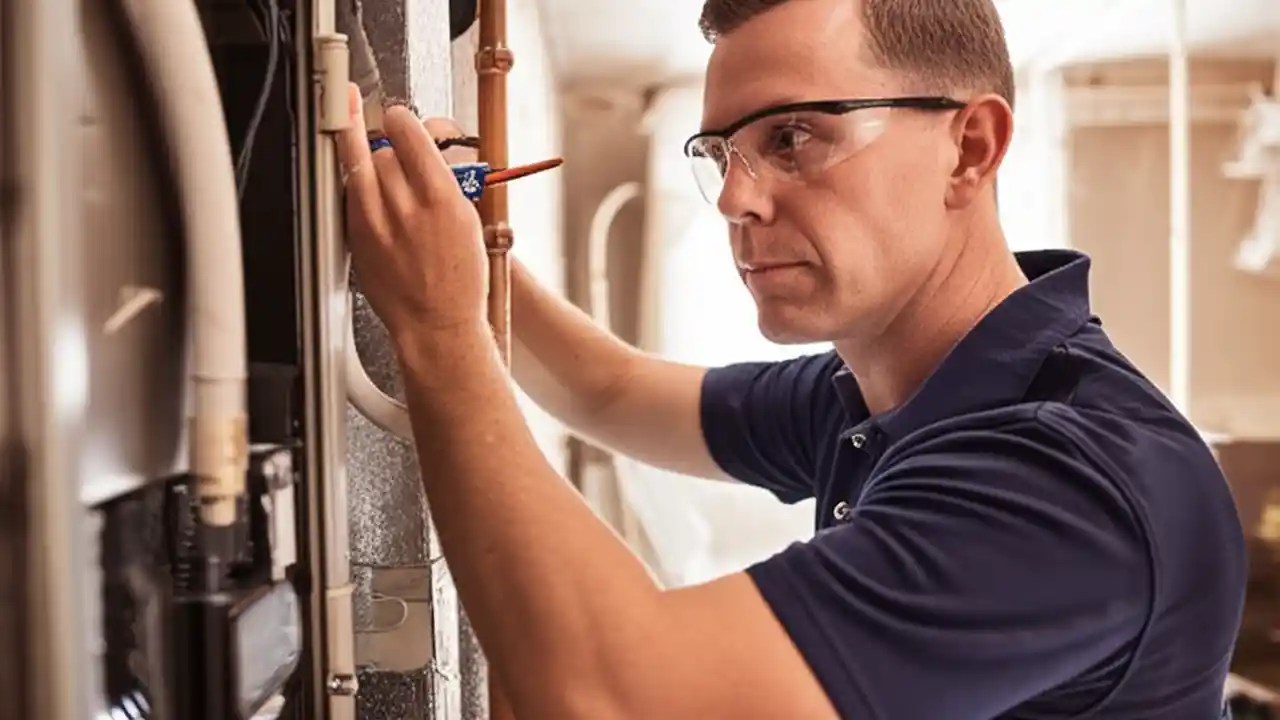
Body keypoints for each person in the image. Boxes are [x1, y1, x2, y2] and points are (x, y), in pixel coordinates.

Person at [335, 0, 1247, 716]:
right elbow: (605, 387)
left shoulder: (1068, 479)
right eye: (722, 151)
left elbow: (607, 702)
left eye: (793, 137)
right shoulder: (885, 393)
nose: (734, 198)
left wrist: (440, 326)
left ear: (970, 148)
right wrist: (453, 243)